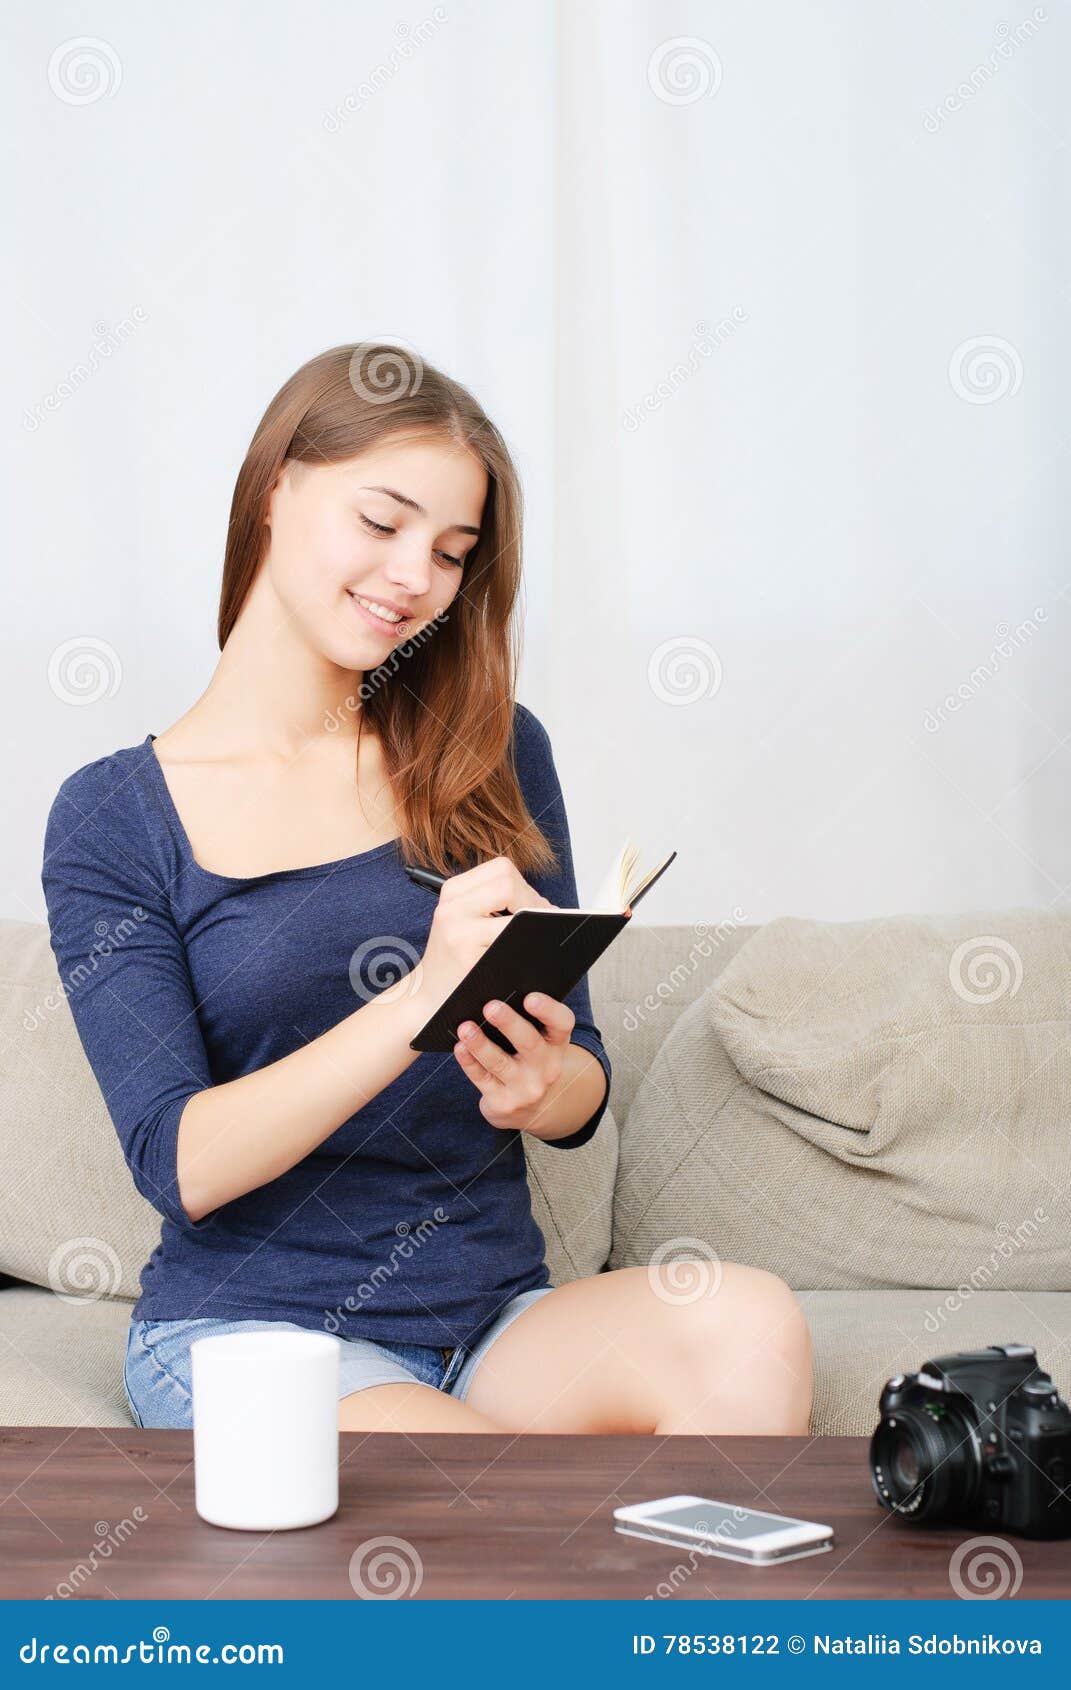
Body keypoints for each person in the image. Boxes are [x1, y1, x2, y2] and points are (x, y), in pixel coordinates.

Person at [41, 342, 813, 1436]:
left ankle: (673, 1561)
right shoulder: (114, 814)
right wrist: (418, 1000)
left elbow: (582, 1082)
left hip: (496, 1322)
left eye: (452, 553)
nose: (415, 577)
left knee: (749, 1324)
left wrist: (545, 1087)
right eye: (381, 522)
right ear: (274, 490)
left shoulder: (493, 751)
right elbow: (182, 1162)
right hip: (256, 1337)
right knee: (481, 1494)